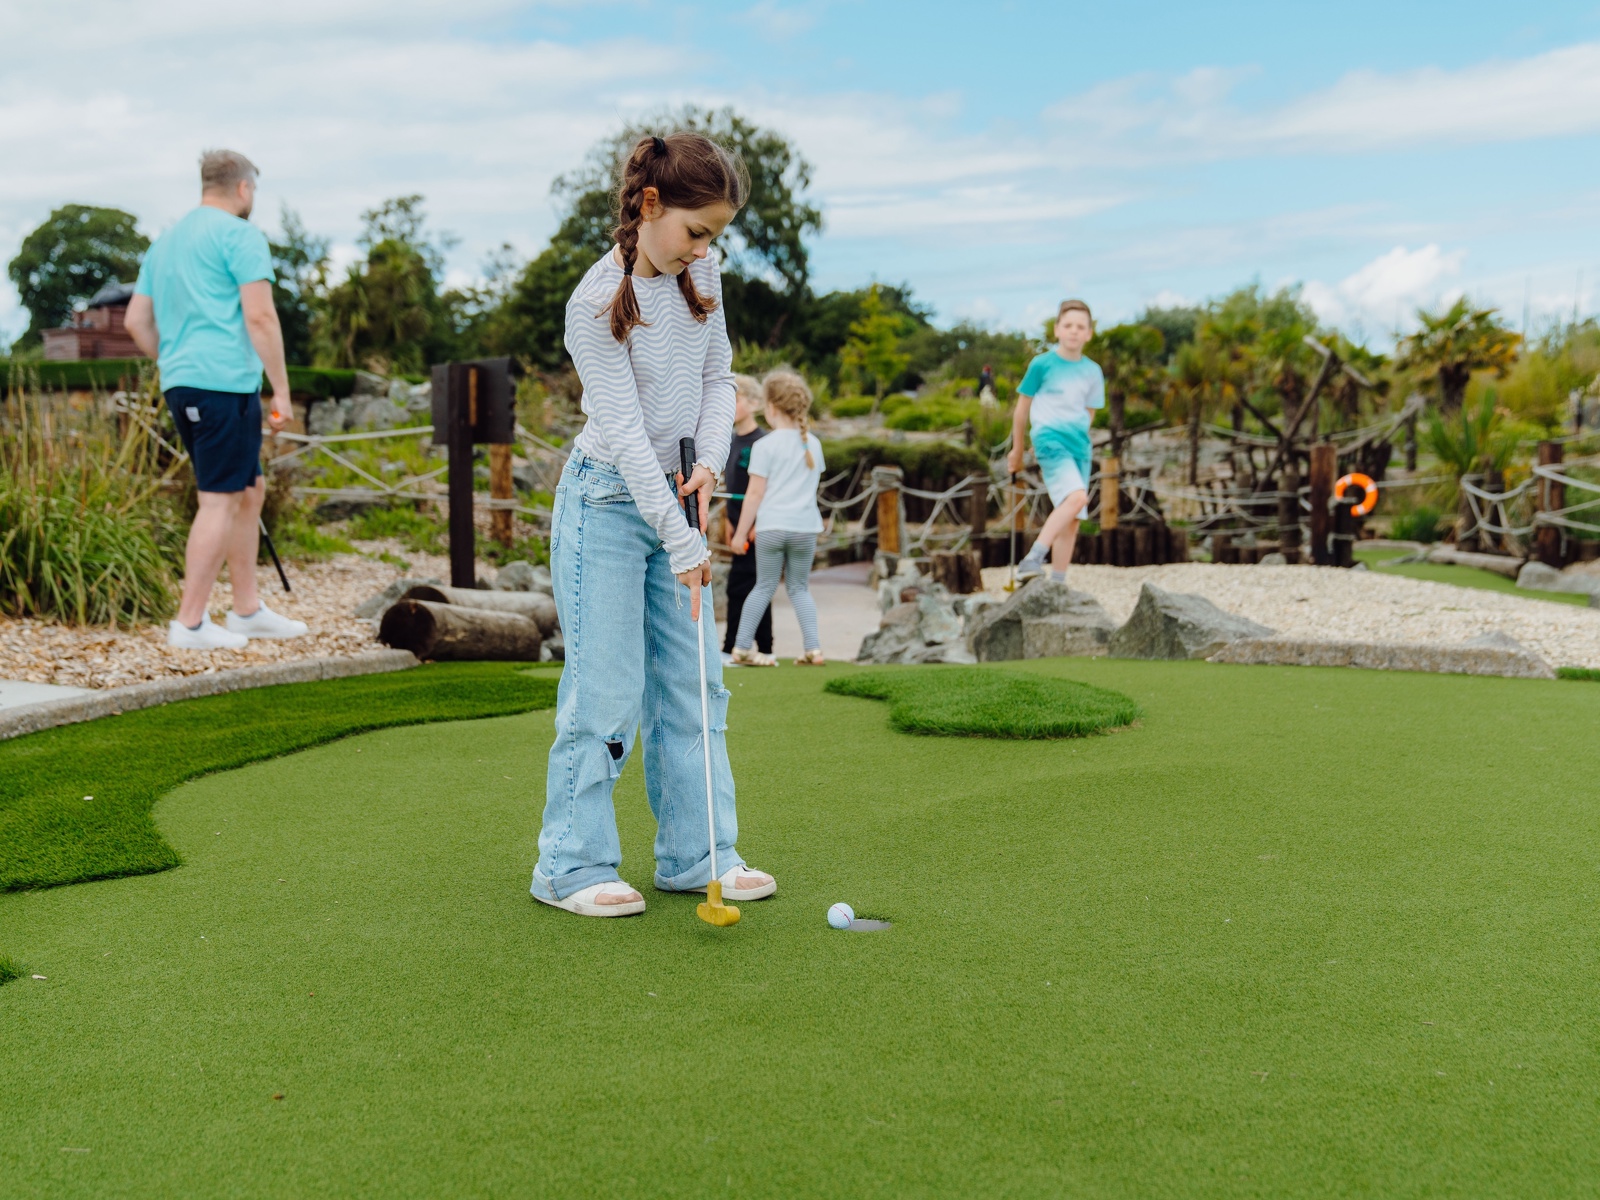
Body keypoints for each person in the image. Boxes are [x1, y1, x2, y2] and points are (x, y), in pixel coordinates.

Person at [532, 132, 777, 918]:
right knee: (605, 692)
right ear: (648, 206)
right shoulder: (593, 303)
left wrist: (710, 461)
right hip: (607, 503)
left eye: (715, 235)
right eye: (695, 230)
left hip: (679, 493)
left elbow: (719, 376)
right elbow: (629, 437)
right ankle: (572, 866)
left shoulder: (702, 273)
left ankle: (700, 855)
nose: (705, 248)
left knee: (695, 685)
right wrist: (682, 539)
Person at [125, 149, 307, 650]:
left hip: (186, 382)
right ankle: (189, 623)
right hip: (223, 384)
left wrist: (177, 359)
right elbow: (262, 319)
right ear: (244, 189)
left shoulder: (164, 243)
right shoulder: (241, 235)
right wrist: (283, 391)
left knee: (249, 491)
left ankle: (247, 611)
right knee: (219, 499)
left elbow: (136, 322)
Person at [728, 369, 826, 666]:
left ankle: (742, 647)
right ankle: (813, 649)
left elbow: (754, 495)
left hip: (771, 528)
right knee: (800, 587)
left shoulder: (764, 445)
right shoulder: (814, 444)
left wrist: (740, 533)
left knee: (763, 586)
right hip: (805, 529)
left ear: (770, 407)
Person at [1007, 299, 1104, 582]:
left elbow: (1089, 413)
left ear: (1089, 333)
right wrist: (1017, 449)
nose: (1074, 331)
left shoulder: (1093, 371)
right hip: (1048, 439)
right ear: (1057, 329)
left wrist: (1079, 439)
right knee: (1077, 498)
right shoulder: (1041, 364)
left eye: (1080, 326)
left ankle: (1058, 583)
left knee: (1072, 518)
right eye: (1068, 325)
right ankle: (1033, 558)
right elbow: (1022, 408)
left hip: (1079, 447)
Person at [720, 373, 773, 662]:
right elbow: (732, 485)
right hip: (737, 525)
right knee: (748, 585)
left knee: (749, 584)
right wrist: (731, 523)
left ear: (753, 403)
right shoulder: (728, 441)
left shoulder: (763, 442)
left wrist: (754, 524)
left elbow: (765, 487)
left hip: (757, 528)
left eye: (736, 398)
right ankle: (761, 647)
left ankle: (738, 648)